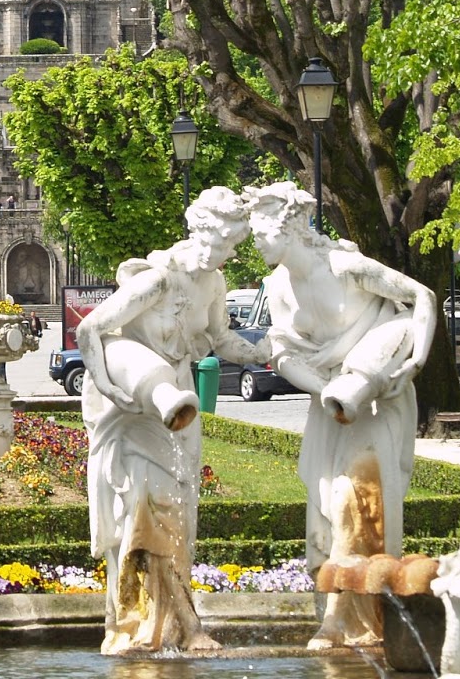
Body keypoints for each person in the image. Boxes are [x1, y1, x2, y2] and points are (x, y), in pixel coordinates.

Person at [77, 186, 270, 655]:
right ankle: (138, 621)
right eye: (221, 242)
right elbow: (90, 329)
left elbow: (221, 340)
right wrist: (105, 383)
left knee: (179, 509)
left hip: (178, 402)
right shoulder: (157, 280)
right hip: (134, 405)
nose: (225, 253)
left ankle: (170, 625)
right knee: (145, 505)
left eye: (232, 245)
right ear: (199, 229)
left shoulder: (214, 283)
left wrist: (267, 352)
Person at [246, 181, 435, 650]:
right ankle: (357, 616)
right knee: (332, 507)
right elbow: (284, 354)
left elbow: (422, 298)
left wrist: (415, 361)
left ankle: (344, 617)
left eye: (260, 233)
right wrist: (325, 388)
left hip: (375, 398)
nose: (254, 242)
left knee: (357, 499)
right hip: (332, 403)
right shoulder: (278, 287)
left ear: (289, 228)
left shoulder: (345, 267)